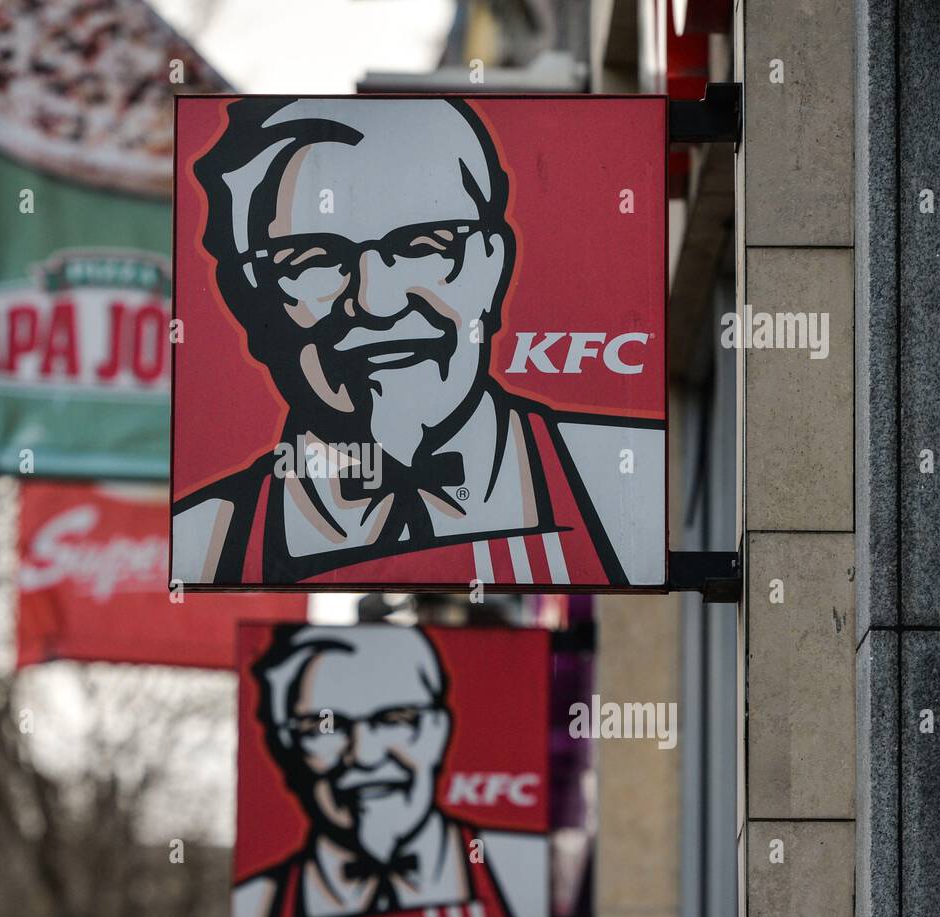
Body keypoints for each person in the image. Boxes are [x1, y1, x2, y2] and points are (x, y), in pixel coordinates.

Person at [172, 97, 664, 587]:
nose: (376, 302)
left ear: (493, 266)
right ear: (247, 301)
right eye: (311, 259)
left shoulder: (628, 480)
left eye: (425, 246)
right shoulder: (206, 540)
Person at [233, 624, 547, 917]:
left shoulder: (522, 866)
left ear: (439, 731)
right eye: (325, 727)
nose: (365, 756)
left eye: (395, 720)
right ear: (285, 748)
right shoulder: (258, 903)